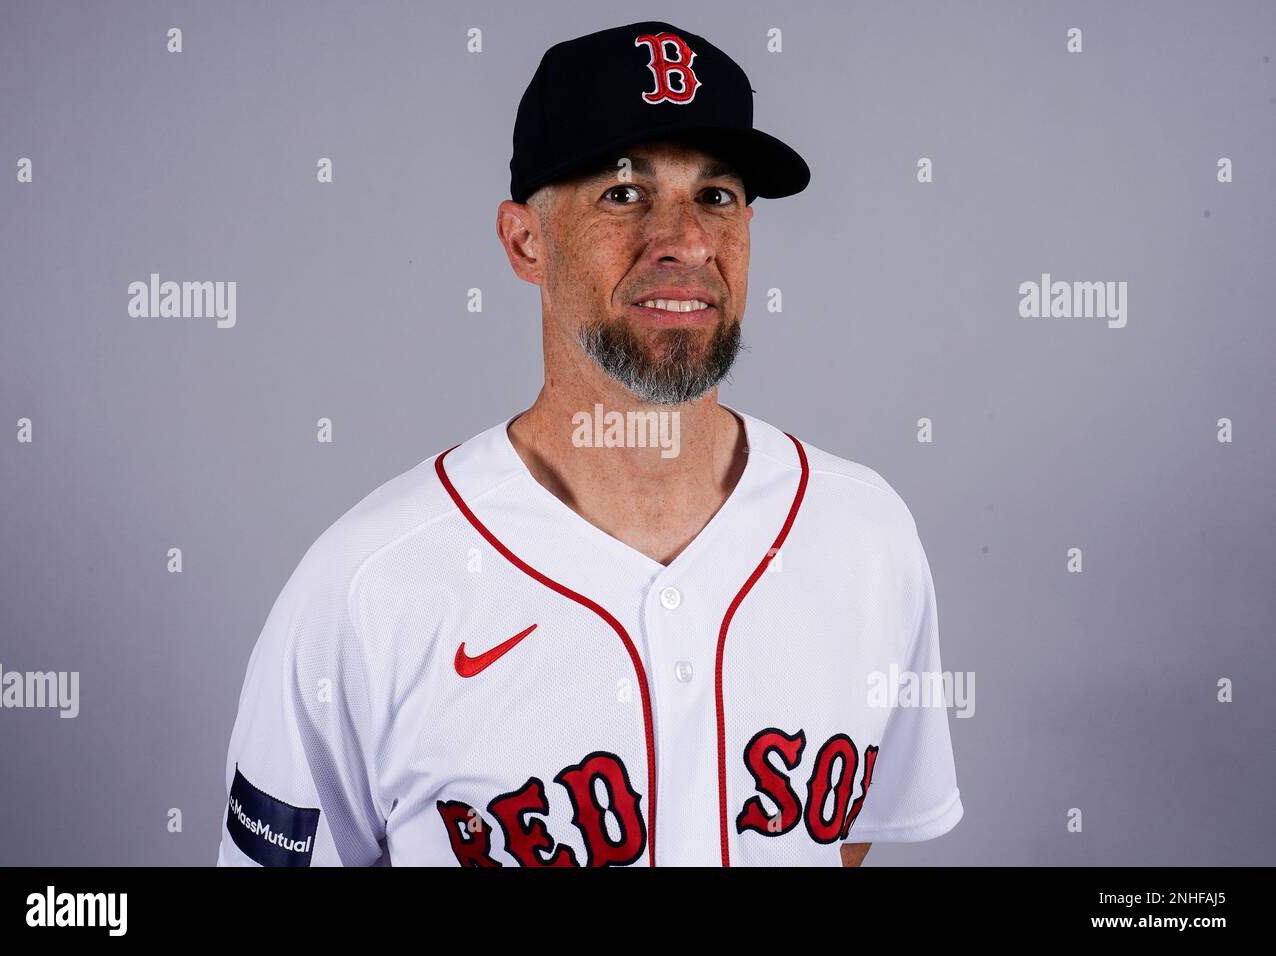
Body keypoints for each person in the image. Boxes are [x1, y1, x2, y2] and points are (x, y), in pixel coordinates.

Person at [217, 20, 962, 868]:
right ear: (525, 241)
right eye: (624, 194)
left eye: (716, 197)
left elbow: (845, 842)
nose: (684, 241)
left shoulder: (866, 534)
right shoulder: (368, 589)